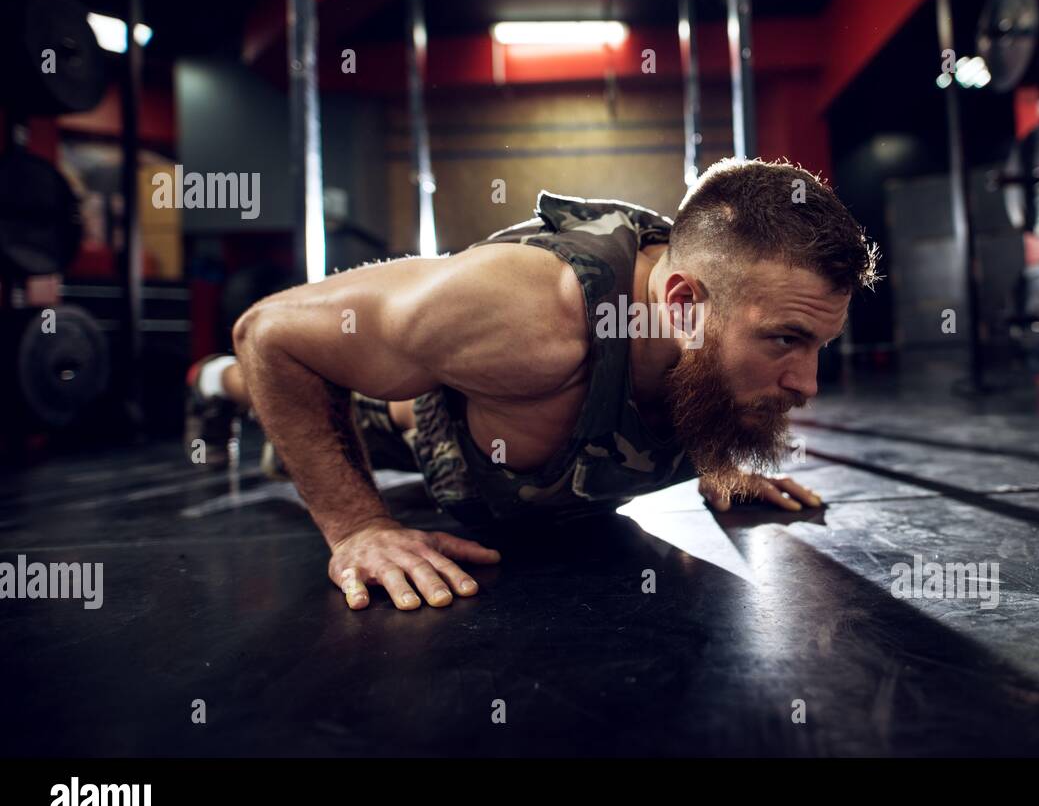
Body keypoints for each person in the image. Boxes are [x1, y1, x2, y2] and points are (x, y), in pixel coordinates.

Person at [186, 157, 879, 611]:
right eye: (786, 339)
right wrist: (359, 527)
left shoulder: (718, 307)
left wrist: (722, 450)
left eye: (818, 344)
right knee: (260, 377)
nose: (808, 384)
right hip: (402, 421)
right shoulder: (530, 313)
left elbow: (704, 368)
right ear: (683, 305)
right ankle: (212, 383)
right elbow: (269, 330)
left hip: (532, 455)